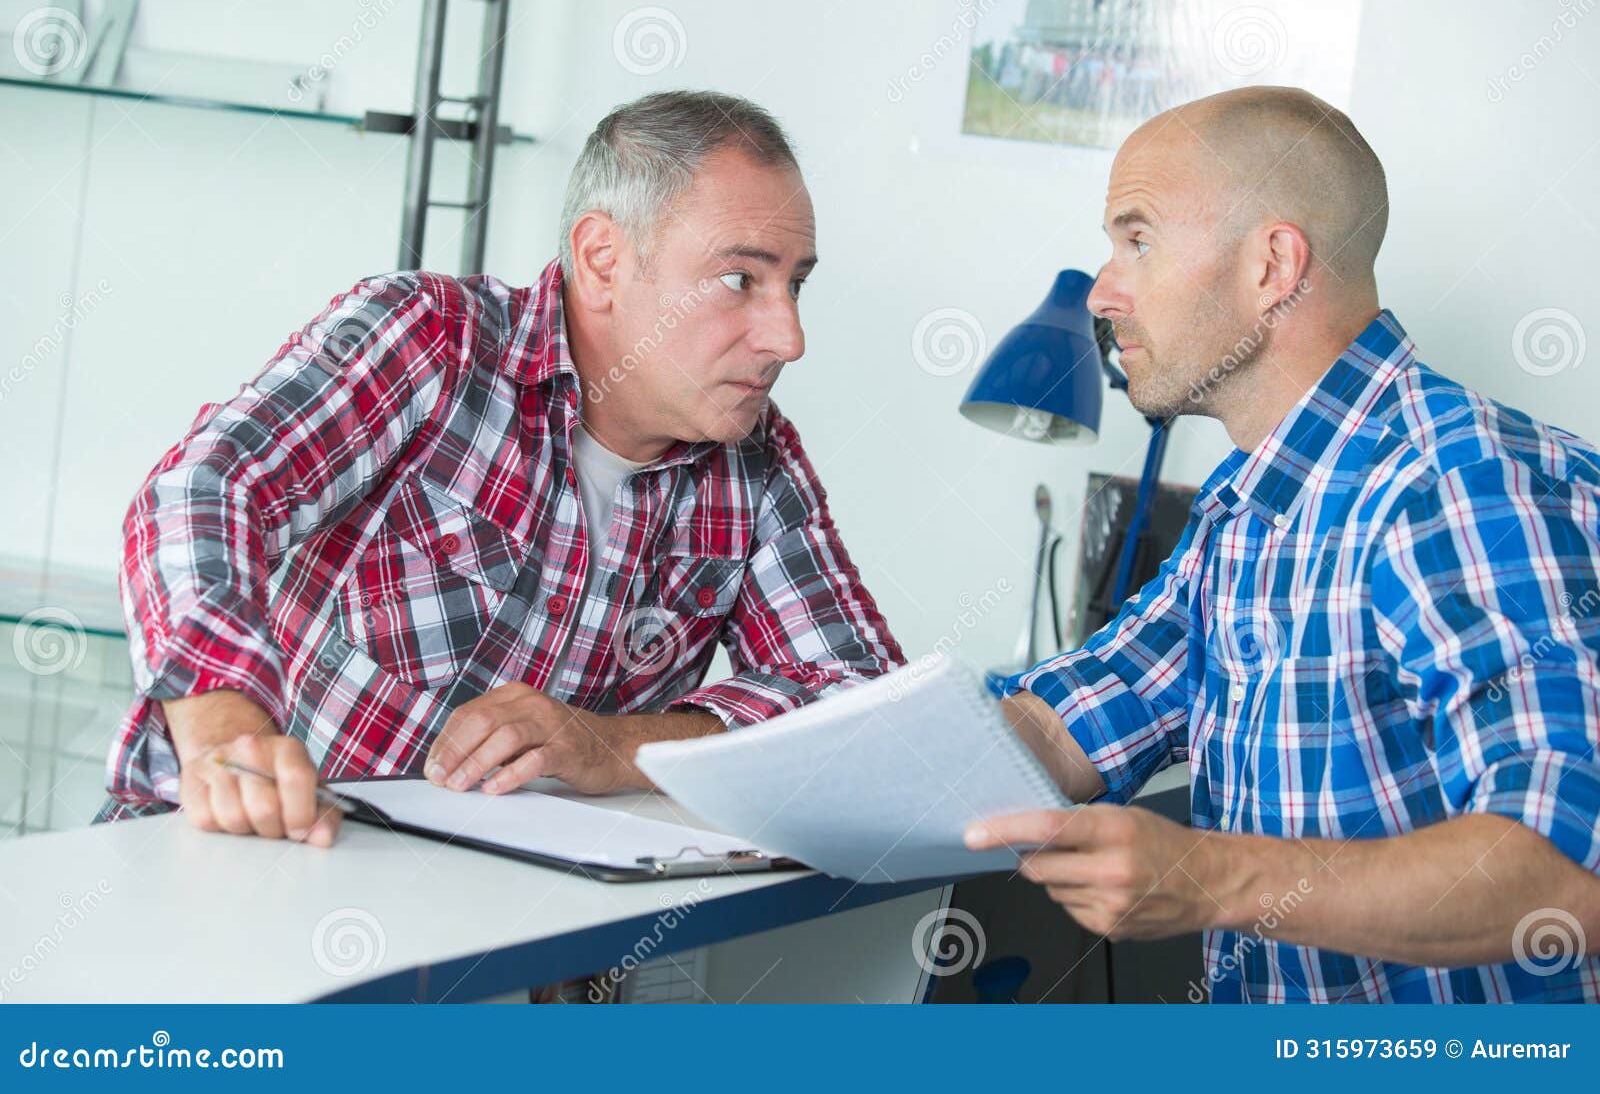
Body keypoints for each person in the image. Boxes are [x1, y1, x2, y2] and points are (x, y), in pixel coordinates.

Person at [97, 90, 903, 847]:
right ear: (602, 261)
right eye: (741, 279)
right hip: (237, 865)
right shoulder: (429, 339)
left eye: (794, 284)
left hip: (488, 940)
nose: (787, 337)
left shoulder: (757, 461)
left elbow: (862, 709)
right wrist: (225, 730)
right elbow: (206, 489)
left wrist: (614, 746)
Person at [970, 86, 1600, 1002]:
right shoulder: (1254, 504)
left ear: (1272, 266)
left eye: (1136, 240)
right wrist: (794, 768)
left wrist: (1210, 878)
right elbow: (1066, 718)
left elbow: (1566, 872)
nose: (1103, 292)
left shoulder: (1453, 480)